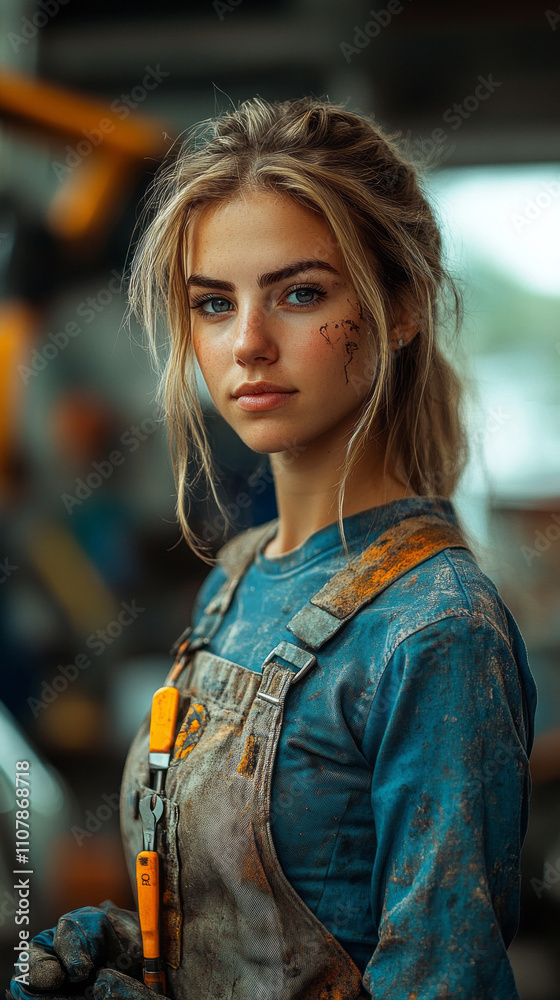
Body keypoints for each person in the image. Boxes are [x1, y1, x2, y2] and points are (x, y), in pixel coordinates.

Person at [10, 95, 537, 1000]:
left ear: (402, 308)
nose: (247, 344)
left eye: (299, 294)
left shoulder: (434, 629)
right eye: (214, 304)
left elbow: (439, 978)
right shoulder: (236, 578)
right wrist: (143, 951)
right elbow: (277, 923)